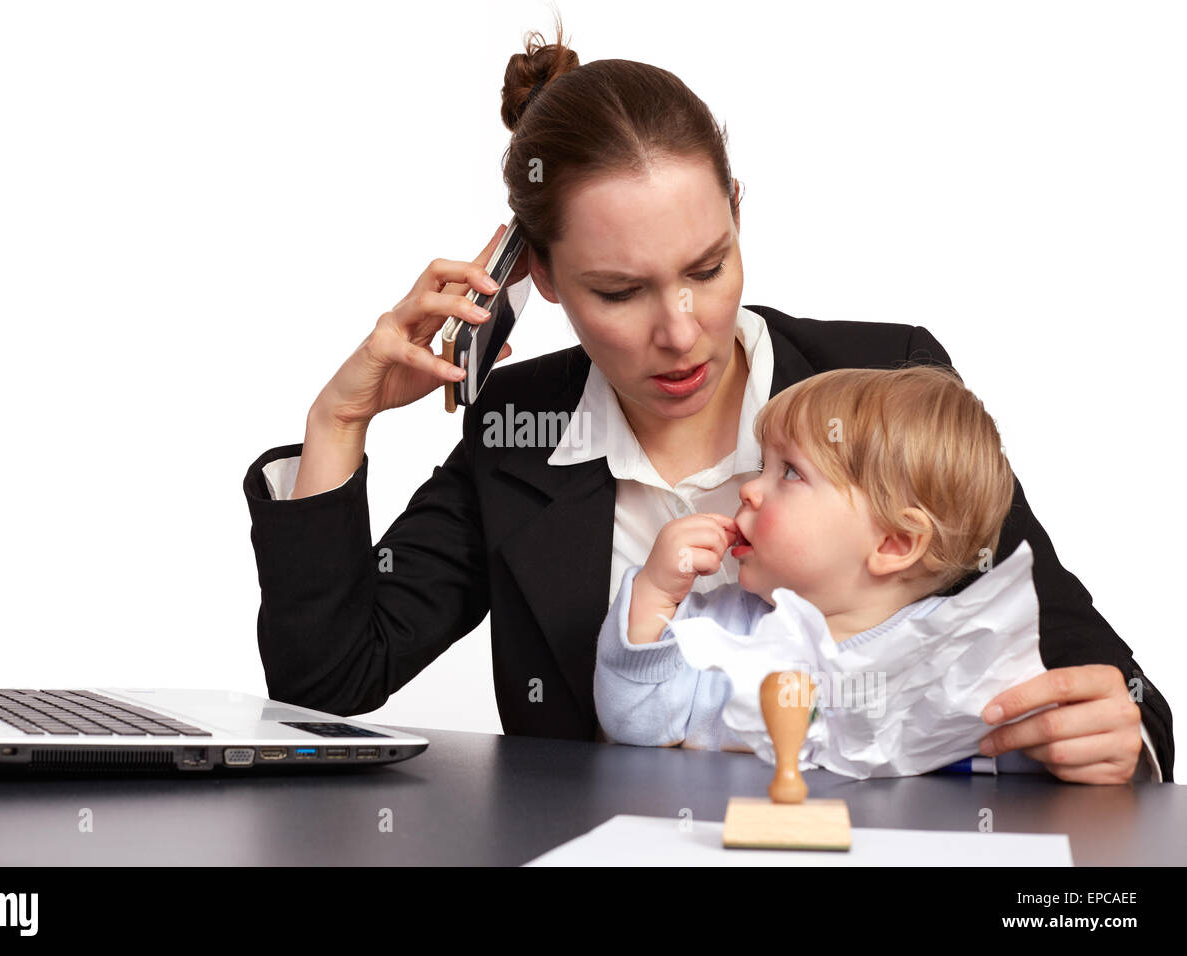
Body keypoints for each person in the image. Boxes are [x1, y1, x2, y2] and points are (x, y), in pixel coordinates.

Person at [241, 18, 1172, 783]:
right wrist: (341, 421)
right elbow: (330, 678)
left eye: (707, 266)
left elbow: (1104, 681)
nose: (682, 329)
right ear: (542, 277)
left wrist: (1122, 733)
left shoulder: (893, 378)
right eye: (619, 290)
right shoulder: (518, 429)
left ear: (737, 210)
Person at [593, 364, 1019, 757]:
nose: (748, 490)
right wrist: (655, 595)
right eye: (763, 465)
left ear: (894, 543)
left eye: (790, 472)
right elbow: (636, 724)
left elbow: (1022, 759)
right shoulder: (717, 628)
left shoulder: (955, 654)